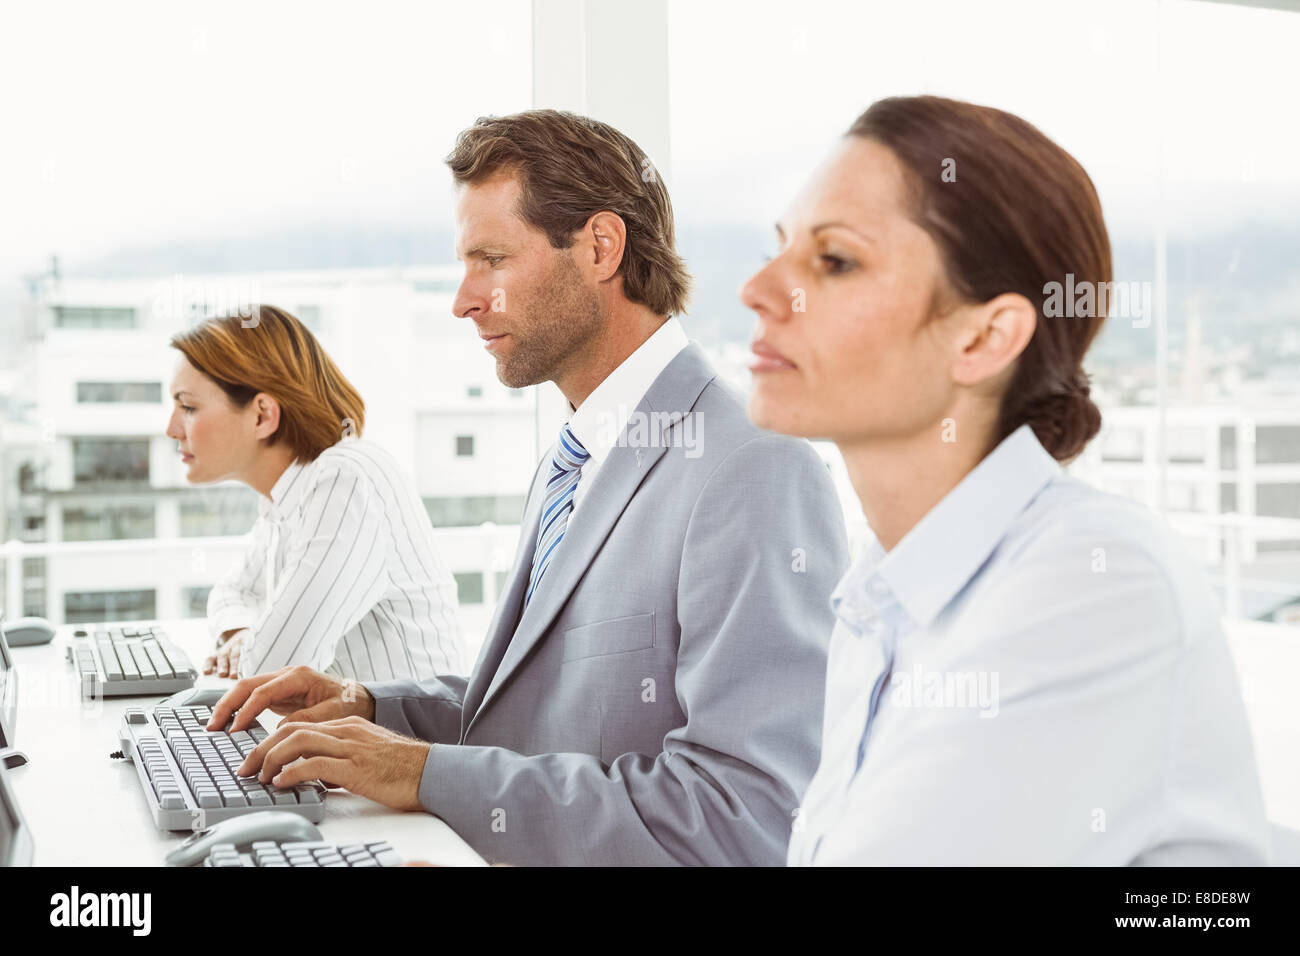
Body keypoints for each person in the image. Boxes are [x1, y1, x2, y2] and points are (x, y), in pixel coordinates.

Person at [210, 110, 848, 866]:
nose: (465, 299)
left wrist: (424, 773)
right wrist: (374, 706)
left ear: (600, 248)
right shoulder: (572, 457)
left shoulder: (753, 469)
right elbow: (539, 715)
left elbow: (742, 815)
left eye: (492, 260)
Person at [740, 95, 1269, 865]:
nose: (757, 289)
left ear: (986, 337)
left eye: (835, 260)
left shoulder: (1095, 583)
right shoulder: (879, 597)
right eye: (779, 247)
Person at [167, 305, 463, 682]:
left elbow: (274, 672)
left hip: (407, 740)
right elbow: (231, 593)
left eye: (188, 407)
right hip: (339, 737)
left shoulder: (346, 480)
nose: (171, 428)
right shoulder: (285, 498)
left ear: (262, 416)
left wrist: (255, 647)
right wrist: (241, 634)